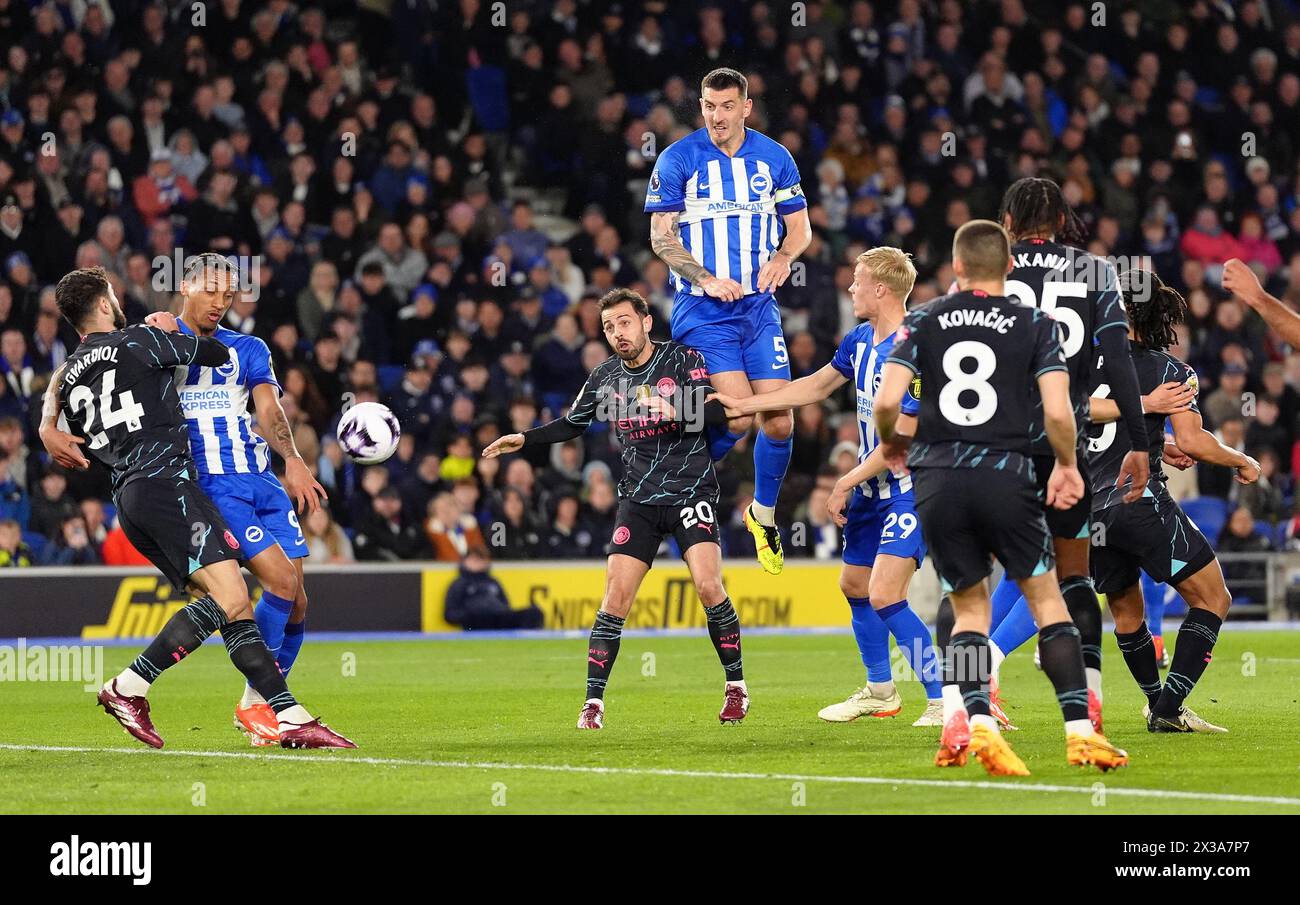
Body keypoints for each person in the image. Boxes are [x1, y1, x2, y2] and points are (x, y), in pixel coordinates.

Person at [39, 266, 351, 750]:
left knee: (233, 600)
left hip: (142, 493)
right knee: (256, 590)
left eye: (228, 292)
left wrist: (46, 422)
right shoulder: (145, 338)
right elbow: (212, 351)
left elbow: (70, 373)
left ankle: (263, 709)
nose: (220, 299)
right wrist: (175, 332)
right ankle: (265, 709)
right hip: (176, 484)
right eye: (210, 289)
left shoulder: (98, 356)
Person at [874, 220, 1128, 775]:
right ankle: (1080, 733)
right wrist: (1066, 464)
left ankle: (980, 724)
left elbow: (886, 403)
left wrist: (895, 446)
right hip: (1007, 474)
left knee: (968, 609)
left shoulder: (922, 319)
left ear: (957, 268)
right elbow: (1060, 412)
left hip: (938, 479)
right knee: (1047, 600)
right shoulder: (1035, 323)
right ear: (1009, 268)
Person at [482, 288, 743, 729]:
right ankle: (593, 703)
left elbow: (724, 414)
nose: (617, 333)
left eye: (624, 322)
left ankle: (735, 687)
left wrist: (676, 406)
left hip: (690, 492)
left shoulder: (682, 360)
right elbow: (572, 423)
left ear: (645, 322)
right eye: (608, 327)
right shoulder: (605, 377)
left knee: (707, 586)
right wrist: (524, 439)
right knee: (614, 600)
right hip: (638, 500)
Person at [954, 177, 1156, 734]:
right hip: (1064, 445)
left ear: (1009, 222)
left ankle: (964, 699)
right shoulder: (1096, 271)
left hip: (988, 443)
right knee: (1071, 577)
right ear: (1063, 220)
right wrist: (1140, 443)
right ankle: (1084, 713)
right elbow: (1120, 365)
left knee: (983, 587)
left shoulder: (993, 266)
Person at [714, 247, 943, 726]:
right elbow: (816, 387)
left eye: (858, 280)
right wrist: (748, 405)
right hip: (869, 487)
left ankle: (943, 699)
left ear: (882, 288)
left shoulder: (916, 346)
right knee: (854, 584)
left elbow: (902, 437)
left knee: (884, 594)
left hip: (910, 485)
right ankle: (881, 691)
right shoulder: (859, 340)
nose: (851, 288)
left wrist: (846, 480)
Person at [645, 67, 811, 576]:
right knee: (738, 416)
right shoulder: (679, 158)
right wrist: (706, 277)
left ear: (746, 107)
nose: (716, 117)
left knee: (780, 418)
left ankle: (762, 515)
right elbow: (660, 236)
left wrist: (784, 257)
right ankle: (678, 474)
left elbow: (800, 229)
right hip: (704, 309)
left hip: (758, 309)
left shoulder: (774, 158)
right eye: (708, 107)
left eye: (725, 107)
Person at [1087, 270, 1256, 733]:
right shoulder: (1170, 371)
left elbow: (1077, 414)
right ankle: (1167, 708)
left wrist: (1158, 435)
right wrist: (1242, 459)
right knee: (1213, 597)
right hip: (1139, 498)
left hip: (1090, 509)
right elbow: (1196, 441)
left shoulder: (1086, 360)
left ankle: (1157, 703)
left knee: (1126, 610)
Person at [443, 545, 543, 630]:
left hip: (498, 617)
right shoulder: (459, 583)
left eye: (481, 559)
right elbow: (450, 614)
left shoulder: (492, 582)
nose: (478, 563)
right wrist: (470, 614)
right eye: (474, 559)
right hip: (476, 620)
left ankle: (525, 643)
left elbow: (505, 605)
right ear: (465, 561)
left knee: (534, 613)